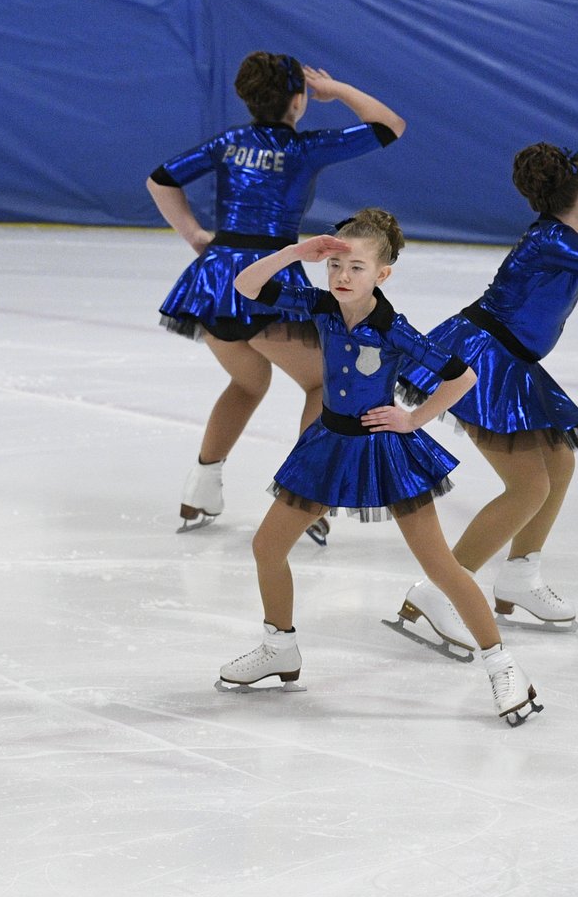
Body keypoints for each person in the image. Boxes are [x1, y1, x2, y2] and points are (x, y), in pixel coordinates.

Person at [218, 211, 541, 726]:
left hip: (382, 453)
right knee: (268, 546)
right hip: (326, 444)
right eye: (337, 265)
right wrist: (296, 255)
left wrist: (413, 418)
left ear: (382, 275)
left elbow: (460, 377)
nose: (343, 276)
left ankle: (504, 666)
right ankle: (279, 645)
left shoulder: (394, 328)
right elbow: (247, 286)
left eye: (358, 267)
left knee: (441, 567)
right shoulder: (322, 306)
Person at [146, 53, 405, 541]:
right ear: (298, 99)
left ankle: (200, 486)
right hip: (268, 285)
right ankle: (305, 498)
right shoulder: (305, 149)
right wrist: (339, 89)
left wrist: (196, 236)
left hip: (214, 282)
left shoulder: (229, 142)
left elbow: (160, 180)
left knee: (248, 383)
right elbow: (389, 125)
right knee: (323, 385)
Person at [392, 144, 578, 647]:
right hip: (481, 360)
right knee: (528, 486)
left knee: (559, 465)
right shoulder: (550, 239)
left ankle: (520, 575)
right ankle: (439, 592)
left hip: (509, 361)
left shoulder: (562, 238)